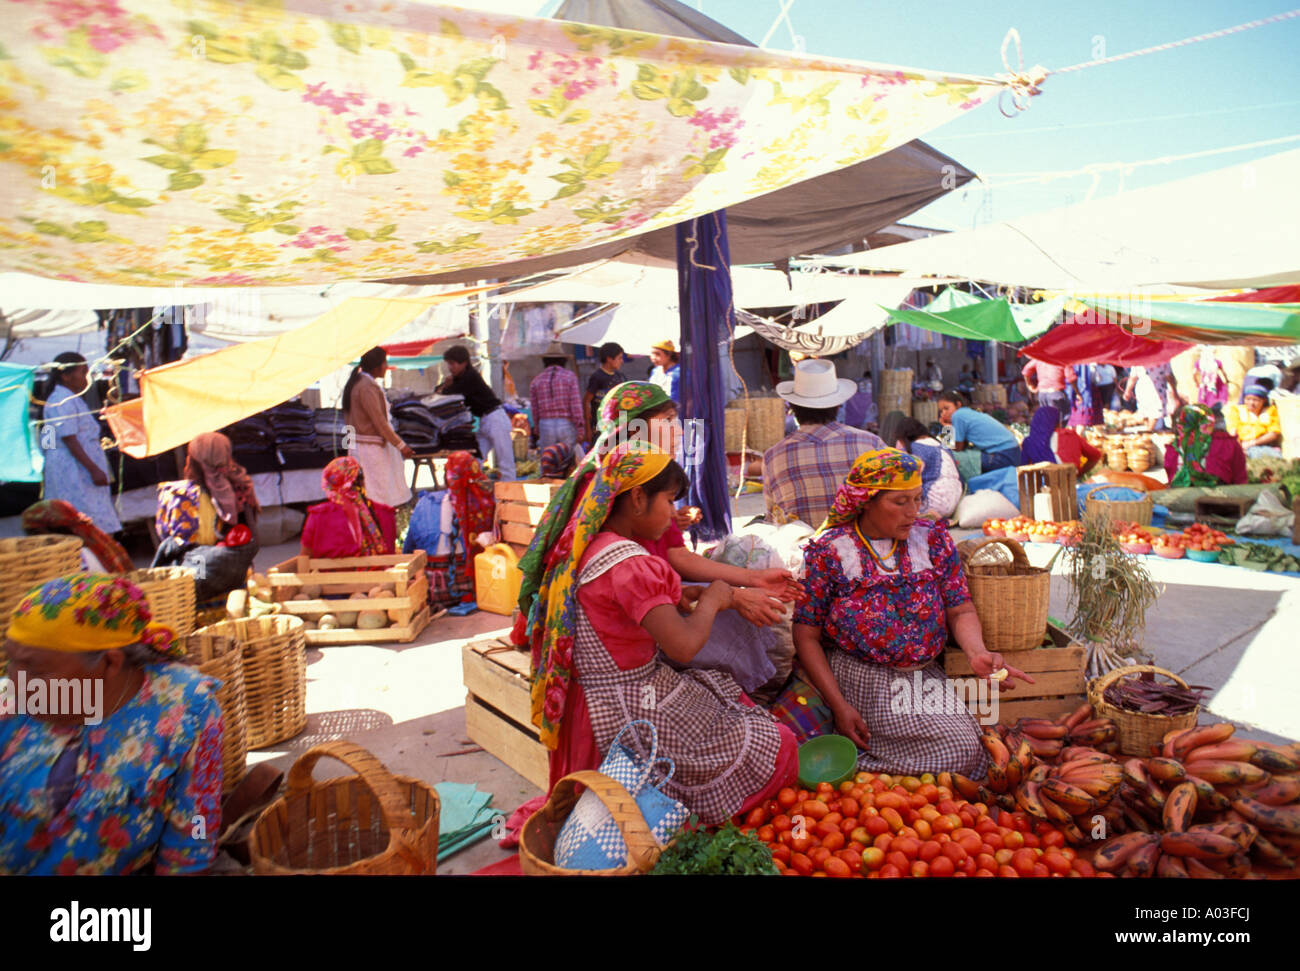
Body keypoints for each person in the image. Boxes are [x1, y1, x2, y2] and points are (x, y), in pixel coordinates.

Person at [529, 442, 796, 824]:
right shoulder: (633, 565)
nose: (674, 514)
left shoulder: (592, 547)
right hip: (624, 711)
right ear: (638, 498)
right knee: (776, 743)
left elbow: (619, 614)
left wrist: (689, 596)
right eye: (669, 501)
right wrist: (719, 598)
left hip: (586, 702)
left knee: (725, 700)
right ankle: (695, 817)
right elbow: (684, 646)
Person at [790, 449, 1033, 775]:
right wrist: (839, 705)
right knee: (959, 750)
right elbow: (806, 635)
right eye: (900, 502)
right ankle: (859, 766)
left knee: (967, 747)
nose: (913, 511)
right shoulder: (831, 551)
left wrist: (977, 652)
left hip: (924, 676)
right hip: (862, 677)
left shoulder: (932, 539)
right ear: (866, 501)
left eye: (917, 499)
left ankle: (868, 771)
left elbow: (960, 609)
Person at [518, 382, 798, 655]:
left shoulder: (644, 477)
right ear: (631, 429)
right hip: (607, 634)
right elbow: (622, 584)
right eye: (667, 421)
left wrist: (754, 579)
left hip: (645, 604)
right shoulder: (604, 488)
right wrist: (729, 595)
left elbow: (676, 555)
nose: (677, 432)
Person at [0, 574, 222, 874]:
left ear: (110, 663)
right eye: (11, 661)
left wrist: (195, 852)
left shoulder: (186, 708)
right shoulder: (8, 706)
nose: (15, 681)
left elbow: (197, 825)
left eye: (35, 670)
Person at [763, 359, 886, 527]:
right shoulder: (871, 443)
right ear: (837, 405)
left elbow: (772, 517)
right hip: (864, 548)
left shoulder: (773, 456)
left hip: (803, 550)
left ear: (793, 408)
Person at [154, 431, 261, 601]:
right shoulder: (240, 485)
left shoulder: (179, 494)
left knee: (195, 575)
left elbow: (167, 535)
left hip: (197, 569)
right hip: (232, 574)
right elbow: (250, 533)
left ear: (192, 460)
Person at [40, 352, 121, 536]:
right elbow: (69, 438)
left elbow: (48, 440)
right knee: (83, 518)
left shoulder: (61, 399)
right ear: (65, 376)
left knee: (80, 516)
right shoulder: (62, 400)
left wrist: (51, 462)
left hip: (65, 465)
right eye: (83, 371)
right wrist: (93, 469)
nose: (88, 376)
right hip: (75, 468)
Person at [341, 347, 414, 508]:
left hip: (361, 447)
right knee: (377, 496)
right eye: (385, 363)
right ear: (377, 366)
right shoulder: (367, 387)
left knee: (368, 492)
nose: (387, 367)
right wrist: (401, 445)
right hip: (371, 450)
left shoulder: (358, 383)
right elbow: (380, 423)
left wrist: (348, 448)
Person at [438, 344, 516, 480]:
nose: (450, 368)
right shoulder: (461, 378)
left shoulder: (469, 377)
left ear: (464, 363)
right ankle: (473, 490)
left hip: (495, 418)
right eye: (449, 364)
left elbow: (448, 395)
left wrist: (445, 386)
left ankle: (509, 495)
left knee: (505, 462)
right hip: (486, 420)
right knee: (475, 460)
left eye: (453, 364)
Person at [301, 456, 397, 559]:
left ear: (329, 484)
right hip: (381, 575)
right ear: (362, 482)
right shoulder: (386, 513)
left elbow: (305, 559)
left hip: (332, 575)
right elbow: (390, 552)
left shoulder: (318, 515)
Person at [21, 499, 134, 575]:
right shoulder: (105, 544)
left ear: (47, 531)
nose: (32, 539)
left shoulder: (70, 558)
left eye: (33, 533)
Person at [888, 417, 963, 521]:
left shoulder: (914, 449)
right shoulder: (941, 445)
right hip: (954, 501)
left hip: (933, 503)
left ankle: (923, 515)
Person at [1163, 404, 1247, 487]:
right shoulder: (1227, 443)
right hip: (1221, 495)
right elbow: (1240, 479)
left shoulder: (1173, 448)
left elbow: (1171, 476)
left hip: (1180, 496)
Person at [937, 391, 1021, 473]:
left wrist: (946, 427)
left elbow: (954, 449)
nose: (944, 413)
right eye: (941, 411)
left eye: (946, 408)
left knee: (953, 457)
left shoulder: (958, 415)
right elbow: (962, 446)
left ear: (958, 405)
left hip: (1003, 455)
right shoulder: (967, 413)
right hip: (1013, 452)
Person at [529, 342, 583, 449]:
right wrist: (580, 428)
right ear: (563, 361)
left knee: (548, 461)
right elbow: (576, 405)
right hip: (566, 424)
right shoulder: (570, 377)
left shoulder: (536, 381)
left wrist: (537, 428)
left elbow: (534, 409)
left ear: (545, 361)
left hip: (545, 425)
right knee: (567, 461)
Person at [1020, 405, 1102, 476]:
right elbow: (1096, 455)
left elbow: (1023, 469)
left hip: (1042, 489)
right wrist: (1080, 473)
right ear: (1058, 422)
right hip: (1071, 485)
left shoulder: (1030, 442)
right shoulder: (1071, 436)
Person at [583, 342, 626, 441]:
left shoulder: (619, 376)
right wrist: (588, 429)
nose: (622, 361)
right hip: (601, 427)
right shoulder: (597, 377)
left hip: (617, 425)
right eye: (619, 358)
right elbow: (586, 401)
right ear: (609, 359)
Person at [1225, 384, 1283, 457]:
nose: (1251, 403)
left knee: (1272, 454)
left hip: (1260, 444)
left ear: (1264, 401)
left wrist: (1252, 443)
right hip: (1241, 443)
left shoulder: (1270, 411)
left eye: (1255, 400)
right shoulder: (1237, 410)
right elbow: (1233, 430)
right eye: (1248, 399)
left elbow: (1274, 433)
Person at [1020, 357, 1075, 424]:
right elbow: (1071, 378)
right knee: (1060, 419)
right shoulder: (1062, 358)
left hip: (1042, 394)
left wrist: (1029, 384)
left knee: (1047, 419)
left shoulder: (1040, 358)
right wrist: (1077, 393)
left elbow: (1026, 371)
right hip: (1055, 393)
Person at [648, 339, 682, 405]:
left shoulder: (679, 372)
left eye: (657, 354)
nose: (653, 357)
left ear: (669, 355)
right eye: (652, 354)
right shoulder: (655, 371)